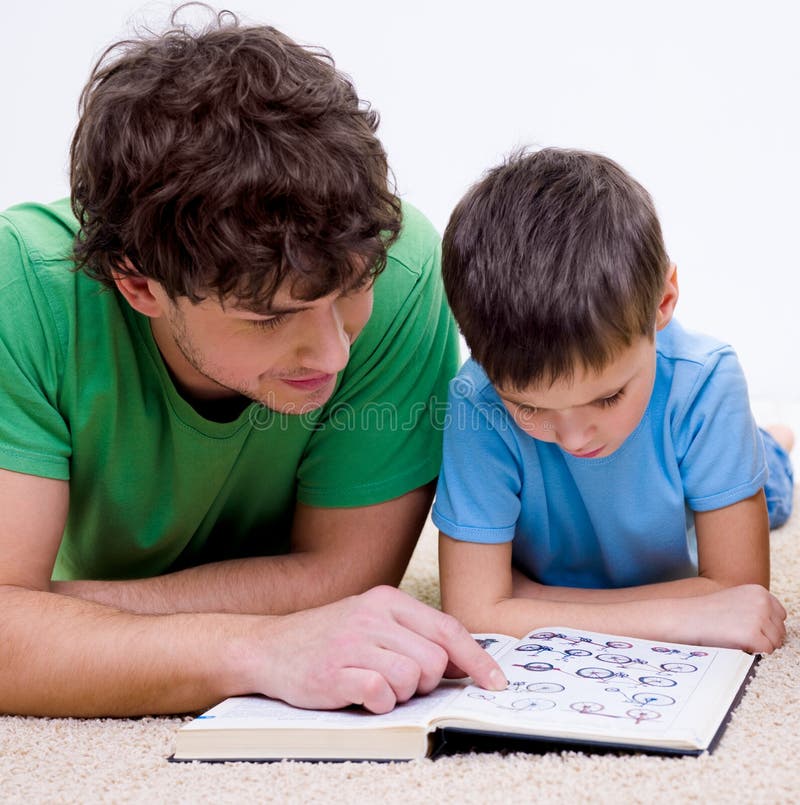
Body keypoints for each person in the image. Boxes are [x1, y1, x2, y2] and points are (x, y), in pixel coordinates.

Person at [0, 8, 506, 717]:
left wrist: (51, 616)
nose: (334, 353)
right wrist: (257, 648)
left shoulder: (407, 266)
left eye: (352, 288)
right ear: (139, 283)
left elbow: (345, 579)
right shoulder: (20, 288)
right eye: (269, 316)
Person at [433, 147, 793, 653]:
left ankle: (773, 443)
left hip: (699, 470)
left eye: (607, 398)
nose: (575, 438)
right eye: (530, 407)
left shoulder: (707, 382)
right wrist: (676, 616)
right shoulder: (477, 400)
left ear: (663, 302)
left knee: (772, 481)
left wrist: (528, 598)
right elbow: (472, 612)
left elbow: (740, 594)